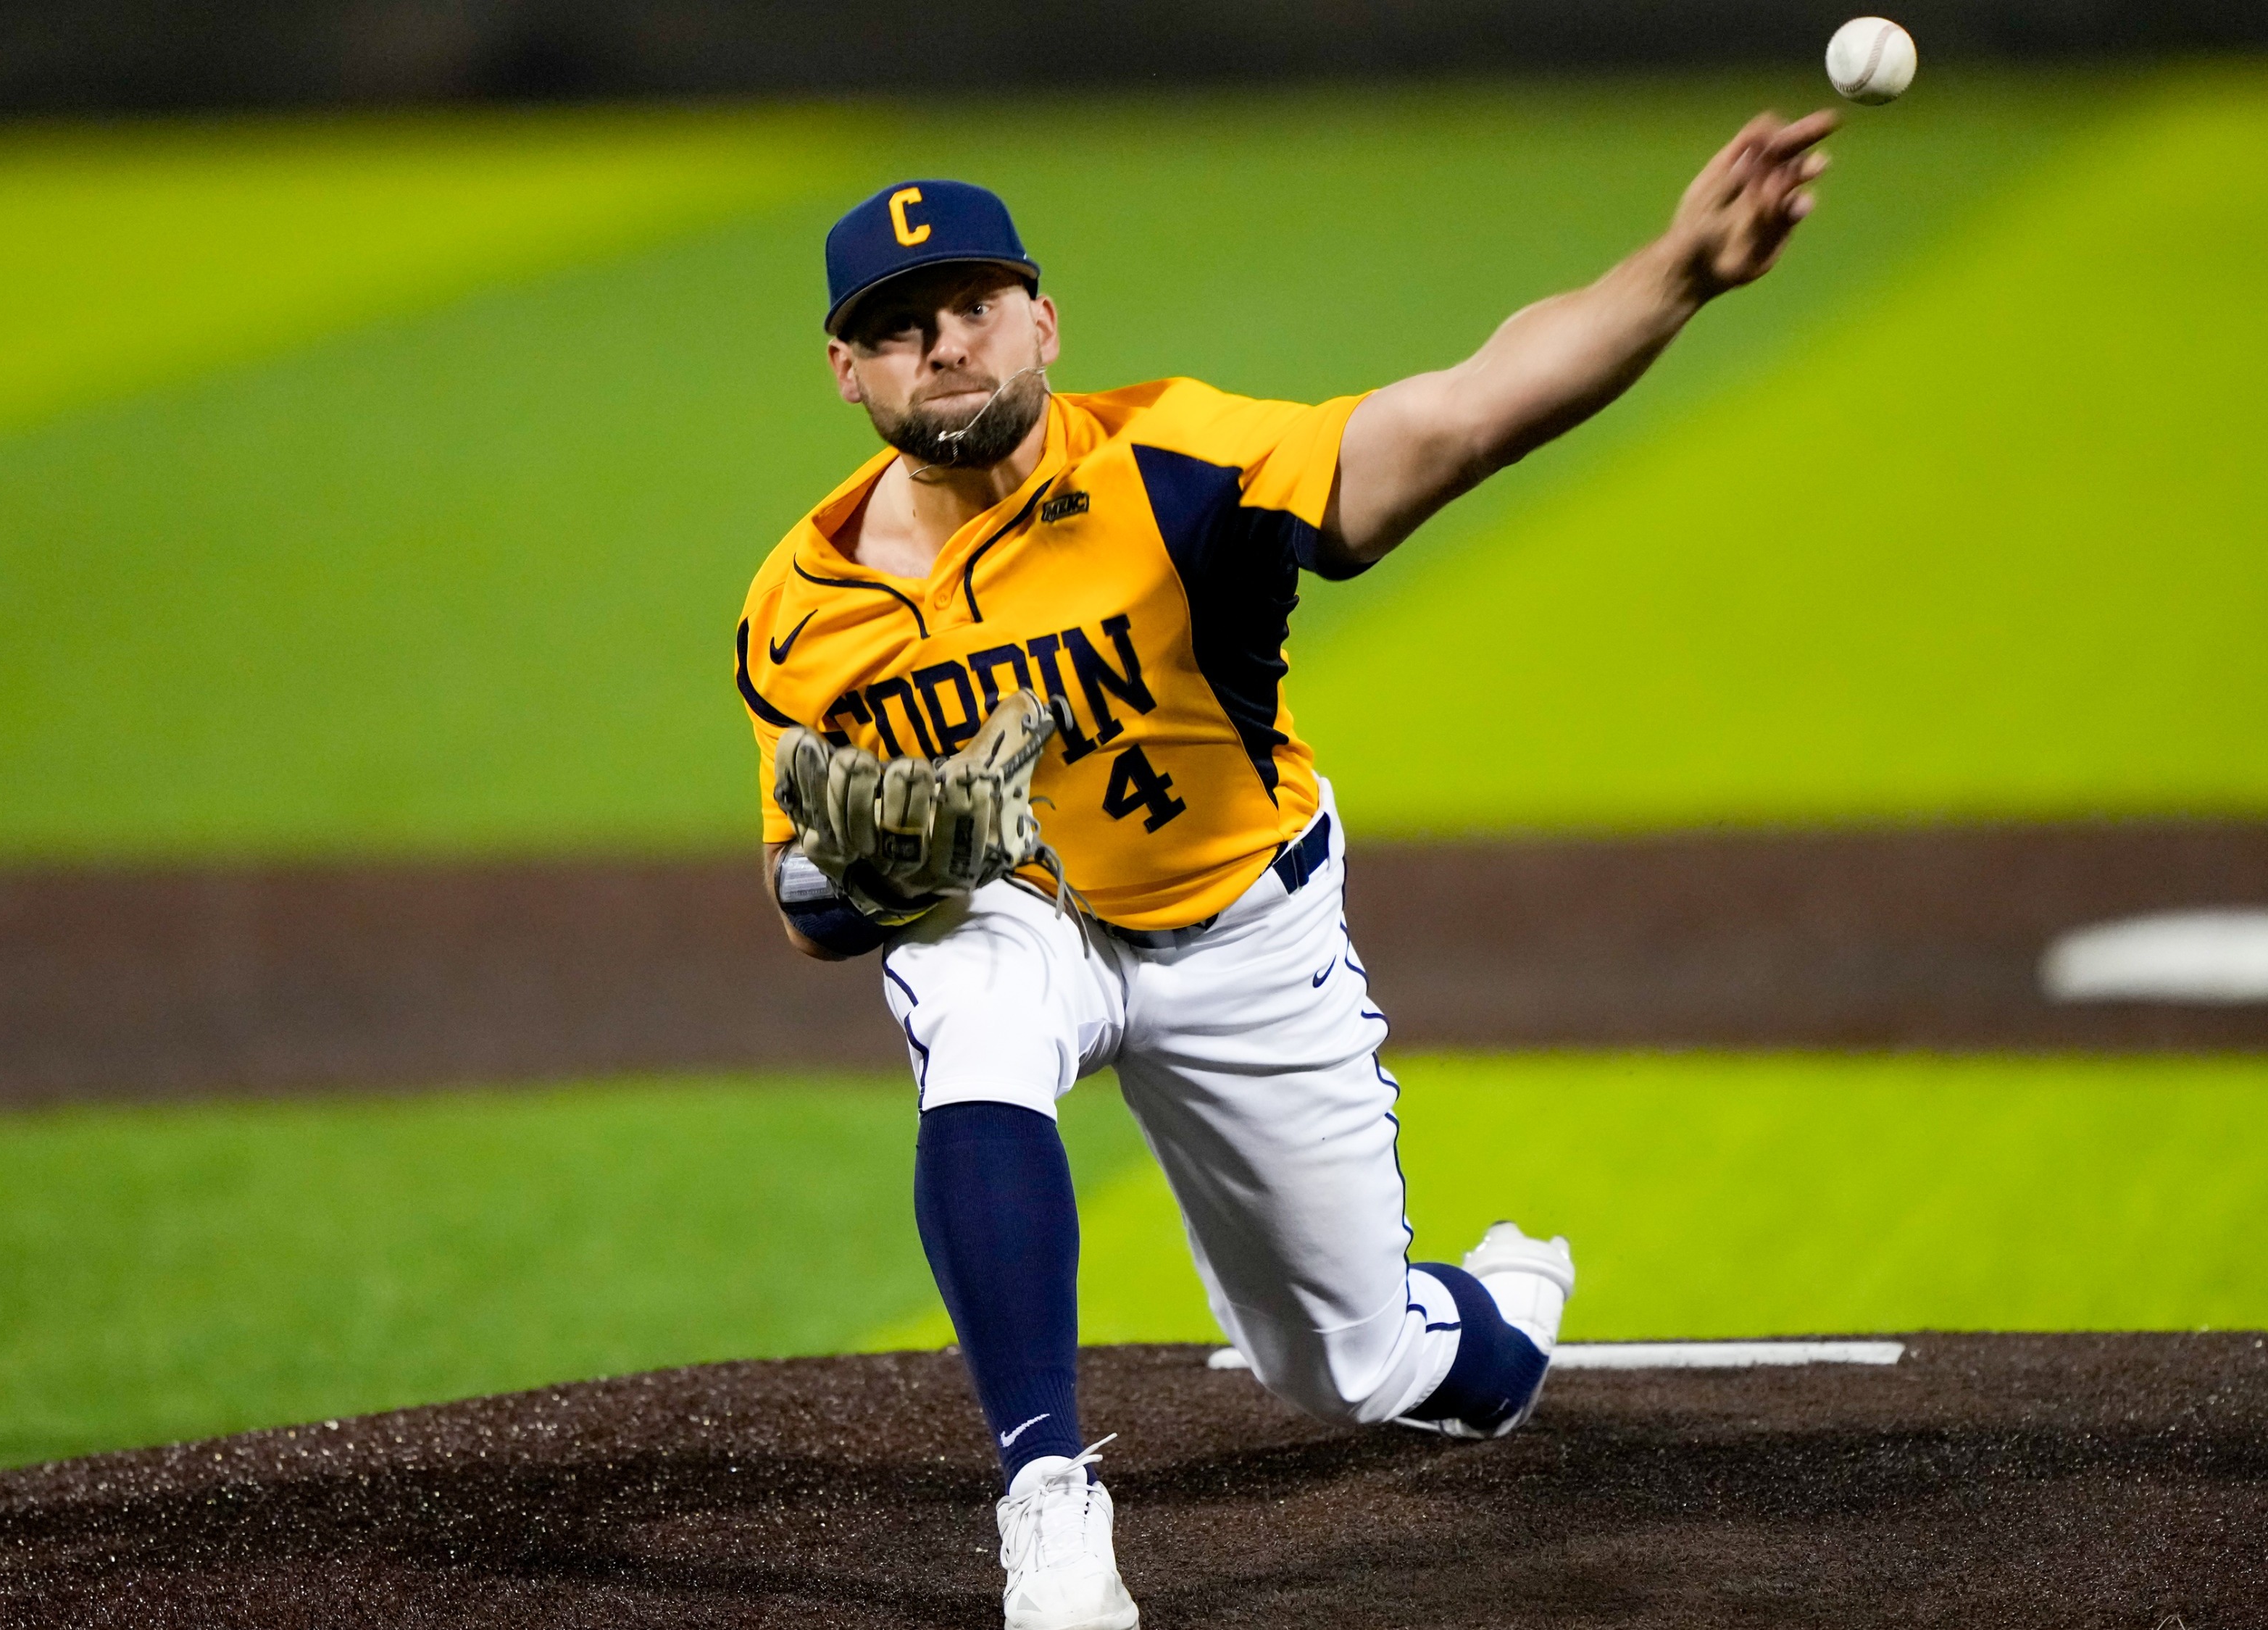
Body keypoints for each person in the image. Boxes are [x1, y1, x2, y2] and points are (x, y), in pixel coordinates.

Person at [733, 113, 1833, 1630]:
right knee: (972, 994)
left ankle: (1499, 1300)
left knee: (1353, 1367)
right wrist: (873, 881)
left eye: (972, 305)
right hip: (1029, 917)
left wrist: (1678, 273)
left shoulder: (1183, 463)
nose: (944, 344)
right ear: (845, 371)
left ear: (1041, 321)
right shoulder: (799, 606)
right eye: (896, 327)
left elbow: (1458, 415)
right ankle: (1048, 1506)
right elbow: (803, 902)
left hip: (1239, 929)